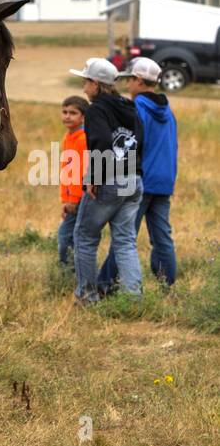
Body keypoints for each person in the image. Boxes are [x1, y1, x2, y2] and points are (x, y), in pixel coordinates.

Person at [98, 56, 178, 290]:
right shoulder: (167, 110)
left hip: (142, 179)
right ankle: (167, 285)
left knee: (125, 236)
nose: (127, 85)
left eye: (129, 80)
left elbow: (132, 144)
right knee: (162, 236)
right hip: (164, 181)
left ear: (139, 80)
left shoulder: (138, 109)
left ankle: (104, 286)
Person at [69, 57, 144, 305]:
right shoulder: (129, 106)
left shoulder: (97, 110)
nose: (83, 88)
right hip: (133, 179)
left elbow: (101, 141)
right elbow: (141, 140)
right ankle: (134, 298)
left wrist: (94, 178)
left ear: (96, 84)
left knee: (84, 237)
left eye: (86, 82)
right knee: (124, 240)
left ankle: (87, 297)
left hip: (109, 180)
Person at [58, 96, 89, 267]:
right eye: (64, 112)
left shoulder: (83, 139)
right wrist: (64, 198)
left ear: (83, 117)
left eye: (73, 113)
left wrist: (74, 199)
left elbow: (81, 172)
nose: (67, 116)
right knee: (70, 236)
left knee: (66, 236)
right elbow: (67, 171)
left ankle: (69, 273)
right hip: (70, 198)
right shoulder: (68, 137)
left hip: (79, 198)